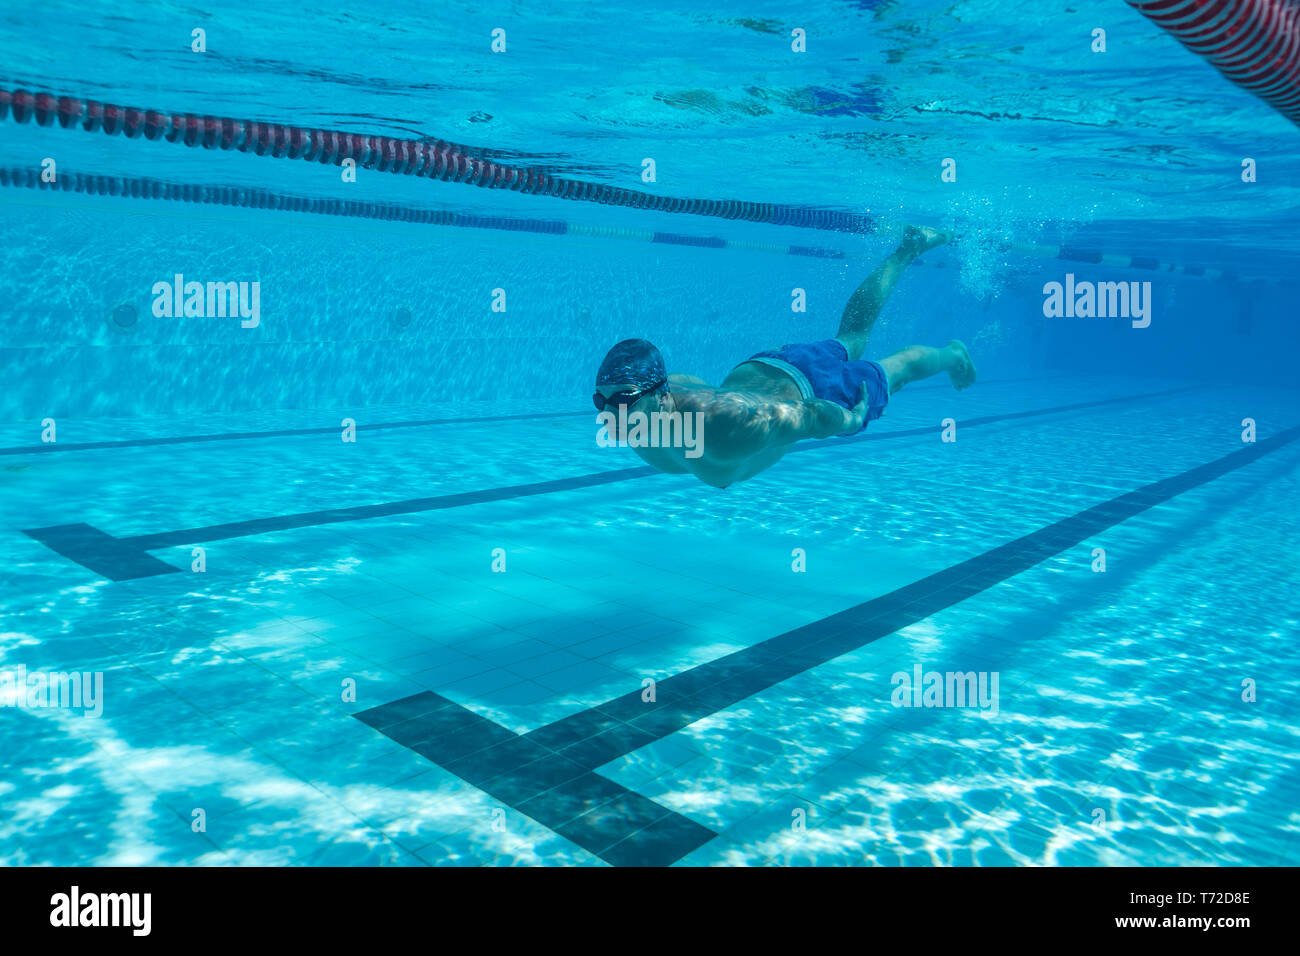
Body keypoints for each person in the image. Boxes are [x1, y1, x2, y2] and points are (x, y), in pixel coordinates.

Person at [593, 225, 975, 488]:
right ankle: (907, 247)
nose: (610, 413)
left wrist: (853, 420)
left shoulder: (724, 430)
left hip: (815, 389)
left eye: (622, 401)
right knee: (851, 337)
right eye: (602, 401)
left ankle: (952, 354)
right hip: (764, 367)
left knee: (899, 370)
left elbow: (810, 415)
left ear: (661, 397)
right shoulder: (649, 406)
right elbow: (687, 385)